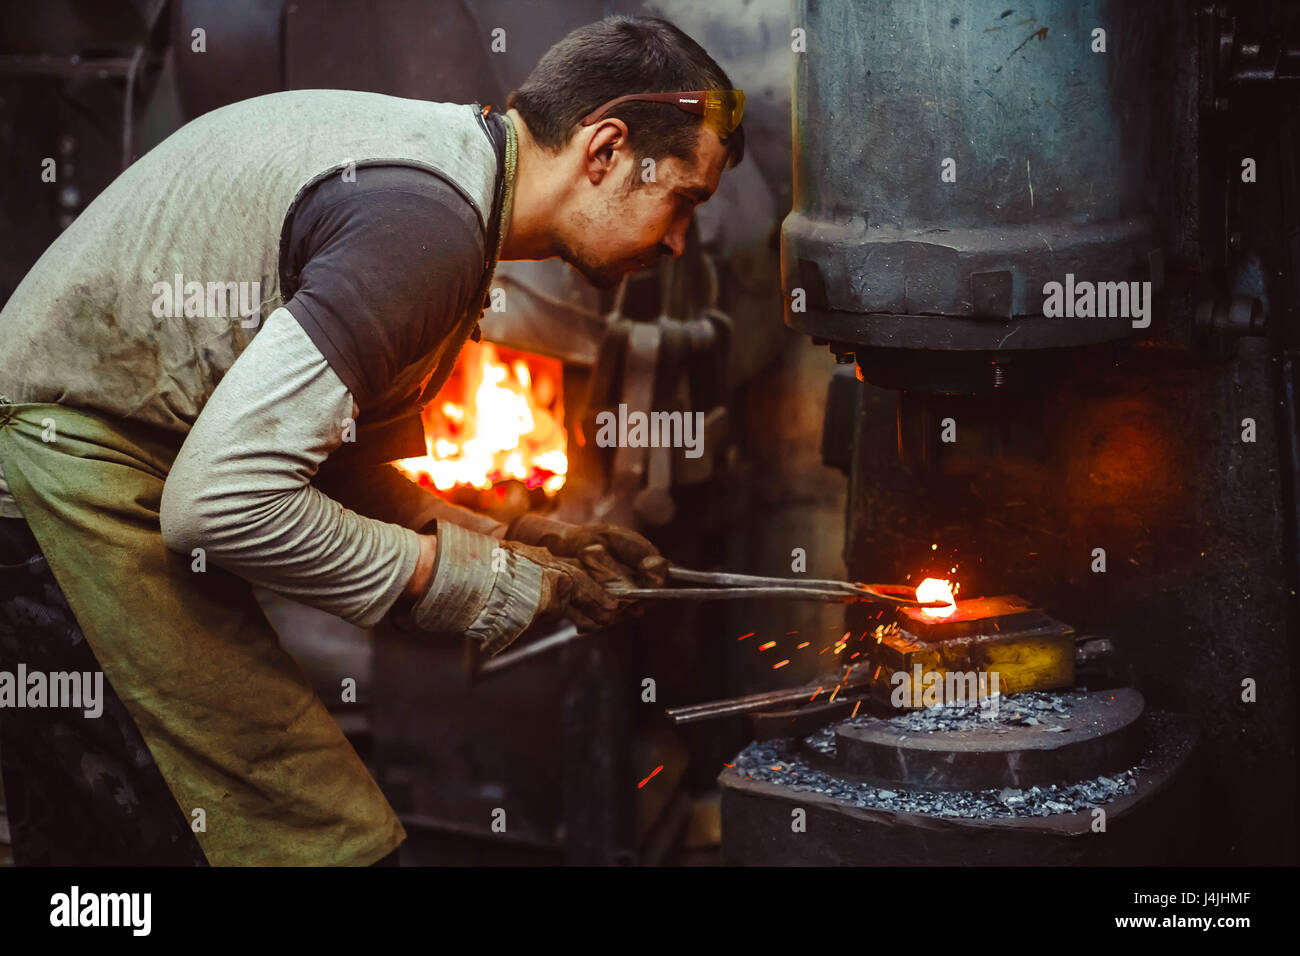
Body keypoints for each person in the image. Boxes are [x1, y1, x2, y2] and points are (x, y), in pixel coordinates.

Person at [0, 14, 744, 865]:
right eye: (683, 199)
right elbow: (221, 505)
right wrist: (481, 582)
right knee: (319, 844)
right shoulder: (427, 227)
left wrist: (522, 537)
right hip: (52, 495)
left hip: (92, 478)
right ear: (605, 150)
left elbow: (331, 465)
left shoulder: (451, 183)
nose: (683, 240)